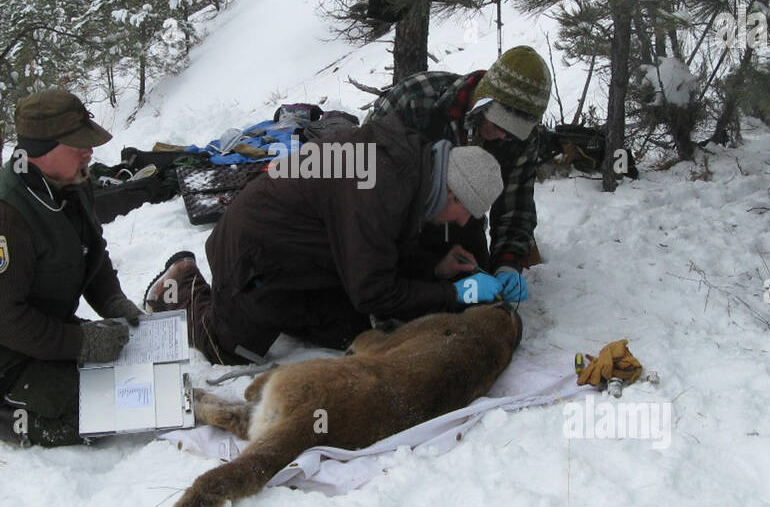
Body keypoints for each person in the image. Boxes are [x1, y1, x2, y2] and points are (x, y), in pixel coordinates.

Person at [144, 114, 507, 365]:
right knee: (229, 350)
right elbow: (375, 292)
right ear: (453, 193)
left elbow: (383, 248)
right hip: (254, 252)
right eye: (467, 212)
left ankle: (282, 310)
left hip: (311, 256)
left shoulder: (415, 171)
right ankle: (182, 280)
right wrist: (454, 294)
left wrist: (435, 267)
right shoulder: (382, 187)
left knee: (351, 330)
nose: (463, 222)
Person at [0, 89, 143, 447]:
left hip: (37, 324)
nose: (88, 151)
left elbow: (91, 251)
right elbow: (2, 321)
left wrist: (111, 300)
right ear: (41, 150)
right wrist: (81, 343)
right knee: (91, 413)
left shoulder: (71, 182)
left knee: (121, 374)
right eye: (77, 143)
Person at [366, 45, 551, 303]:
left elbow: (515, 205)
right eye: (500, 124)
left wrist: (507, 263)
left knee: (480, 304)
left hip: (464, 226)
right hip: (399, 227)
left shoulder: (521, 139)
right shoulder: (416, 98)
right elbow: (365, 183)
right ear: (483, 102)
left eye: (514, 131)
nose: (504, 136)